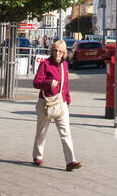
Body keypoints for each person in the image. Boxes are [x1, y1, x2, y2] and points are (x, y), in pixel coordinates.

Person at [32, 40, 81, 171]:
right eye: (55, 50)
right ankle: (38, 156)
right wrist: (48, 83)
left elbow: (66, 84)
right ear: (51, 51)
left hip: (61, 102)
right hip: (46, 102)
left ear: (64, 52)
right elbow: (36, 82)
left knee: (66, 132)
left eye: (60, 51)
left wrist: (68, 100)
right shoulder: (45, 64)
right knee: (41, 131)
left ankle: (71, 161)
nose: (57, 53)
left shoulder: (64, 65)